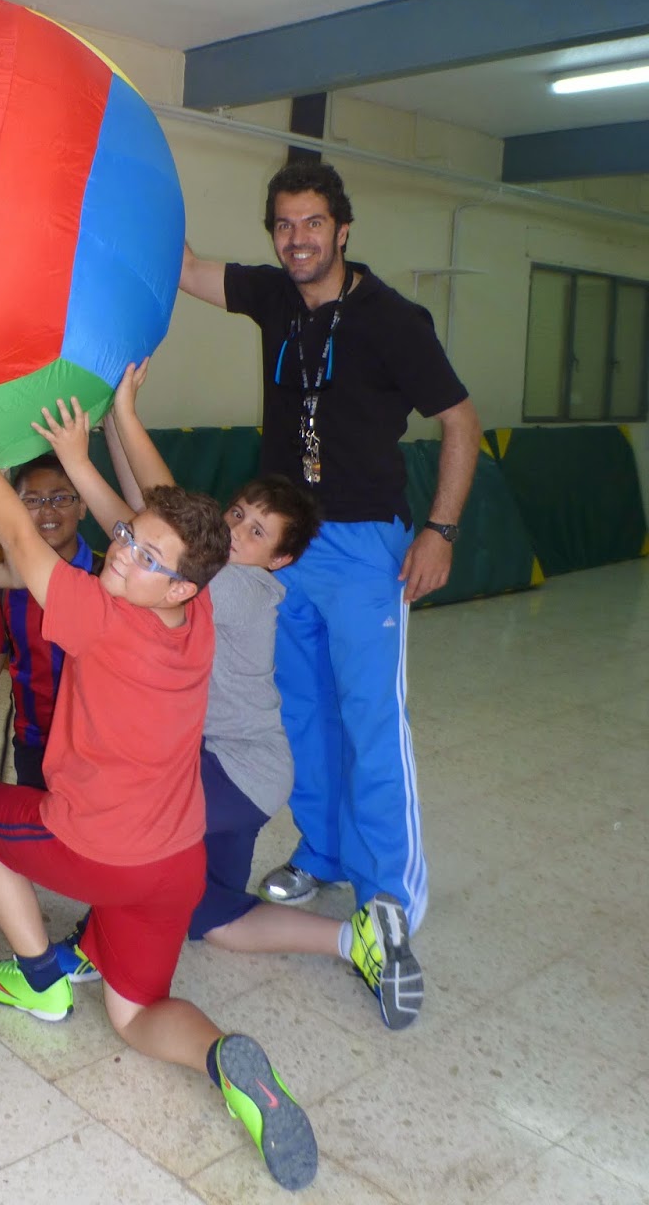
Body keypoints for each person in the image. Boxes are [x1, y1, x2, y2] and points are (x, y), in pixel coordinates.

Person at [0, 380, 318, 1194]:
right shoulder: (194, 615)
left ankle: (39, 977)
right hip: (175, 862)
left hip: (98, 849)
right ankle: (224, 1062)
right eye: (128, 539)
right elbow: (155, 528)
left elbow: (25, 540)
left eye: (143, 557)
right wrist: (82, 456)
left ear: (176, 586)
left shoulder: (102, 621)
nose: (122, 553)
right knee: (135, 1015)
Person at [180, 157, 481, 944]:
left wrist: (440, 531)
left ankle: (391, 896)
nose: (298, 238)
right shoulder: (275, 296)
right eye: (284, 224)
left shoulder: (393, 319)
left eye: (313, 223)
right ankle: (323, 854)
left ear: (342, 230)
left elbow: (460, 422)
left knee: (371, 720)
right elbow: (181, 268)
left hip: (366, 547)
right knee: (302, 714)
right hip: (285, 551)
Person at [96, 360, 422, 1030]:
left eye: (254, 533)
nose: (236, 530)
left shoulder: (239, 586)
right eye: (238, 514)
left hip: (233, 771)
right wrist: (102, 432)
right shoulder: (226, 577)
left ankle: (86, 948)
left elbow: (164, 522)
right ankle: (356, 938)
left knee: (137, 833)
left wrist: (124, 415)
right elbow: (147, 521)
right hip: (244, 774)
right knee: (208, 916)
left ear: (280, 560)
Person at [0, 453, 96, 790]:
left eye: (61, 498)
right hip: (33, 743)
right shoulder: (8, 587)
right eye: (32, 501)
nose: (47, 510)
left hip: (99, 747)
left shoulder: (109, 578)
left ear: (83, 506)